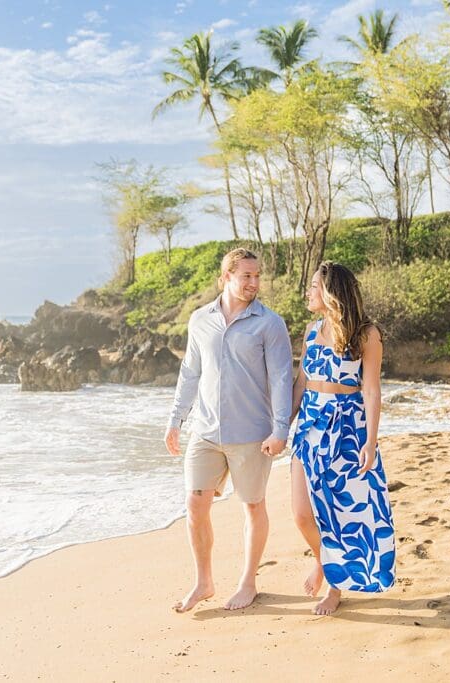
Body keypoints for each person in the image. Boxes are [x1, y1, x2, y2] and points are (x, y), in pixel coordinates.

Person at [164, 247, 294, 612]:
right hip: (205, 431)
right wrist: (175, 420)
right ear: (226, 277)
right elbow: (190, 372)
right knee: (195, 505)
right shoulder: (199, 320)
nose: (254, 283)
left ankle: (248, 582)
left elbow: (281, 378)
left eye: (257, 276)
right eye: (246, 276)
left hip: (252, 433)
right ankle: (203, 582)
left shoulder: (270, 324)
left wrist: (280, 429)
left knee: (252, 506)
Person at [290, 261, 396, 617]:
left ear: (331, 292)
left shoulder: (367, 335)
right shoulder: (311, 331)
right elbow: (301, 383)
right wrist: (281, 426)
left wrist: (370, 441)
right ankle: (323, 561)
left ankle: (335, 587)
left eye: (314, 286)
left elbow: (371, 391)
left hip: (347, 430)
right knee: (302, 514)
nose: (308, 292)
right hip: (310, 426)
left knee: (337, 514)